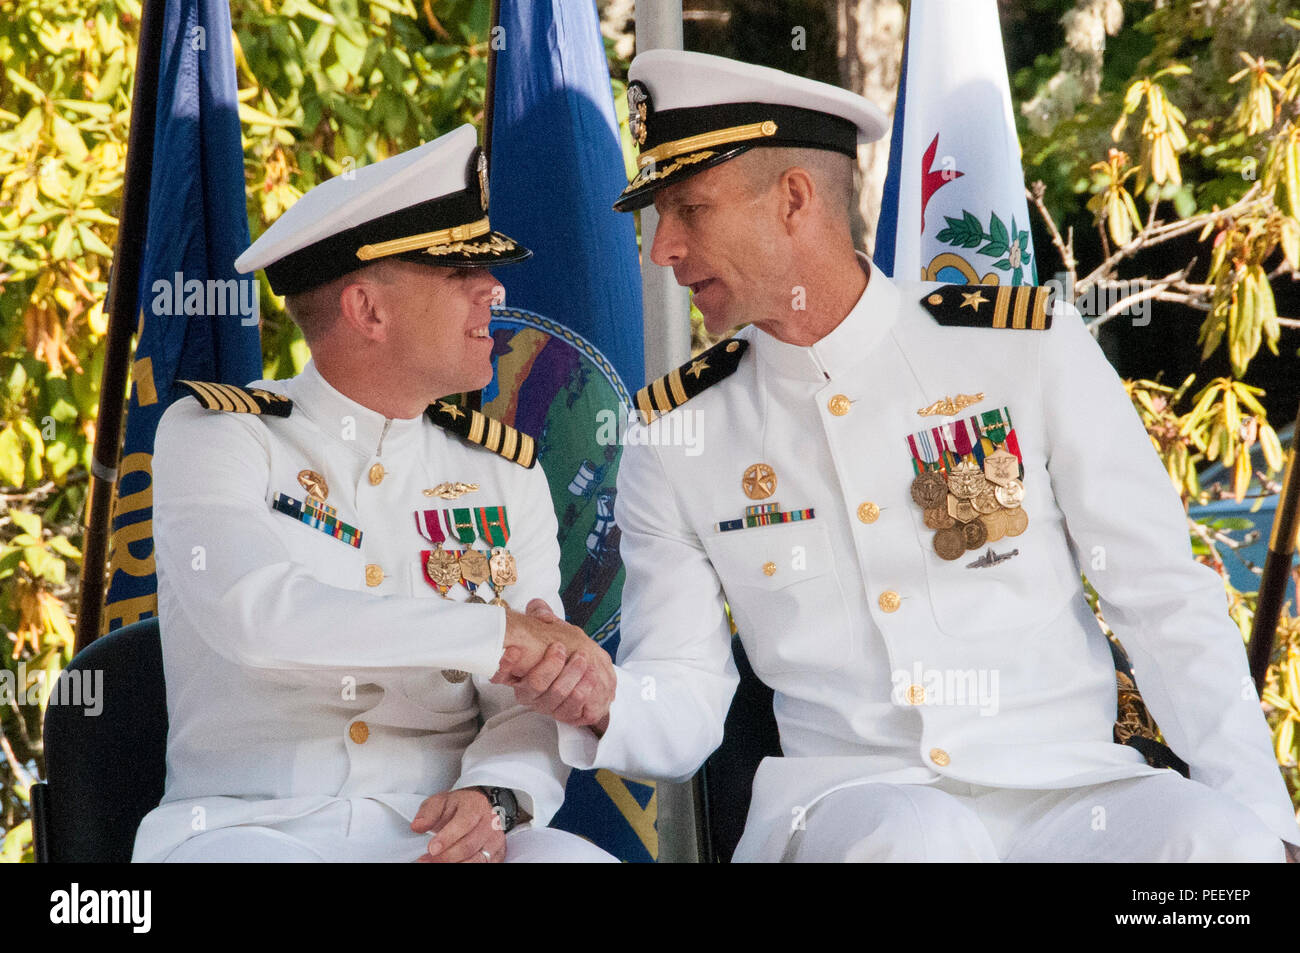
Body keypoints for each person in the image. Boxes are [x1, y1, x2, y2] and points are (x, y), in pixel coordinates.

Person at [496, 51, 1300, 862]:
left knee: (1222, 855)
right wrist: (608, 700)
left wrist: (1264, 819)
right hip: (850, 808)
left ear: (795, 200)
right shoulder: (675, 435)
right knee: (921, 842)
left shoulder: (1024, 347)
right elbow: (685, 689)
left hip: (1074, 794)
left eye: (688, 209)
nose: (660, 248)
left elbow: (1162, 598)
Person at [131, 125, 616, 863]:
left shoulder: (504, 472)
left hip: (430, 832)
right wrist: (498, 633)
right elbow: (258, 616)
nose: (495, 290)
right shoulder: (215, 434)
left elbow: (524, 707)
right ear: (368, 310)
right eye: (462, 274)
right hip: (247, 831)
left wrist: (498, 796)